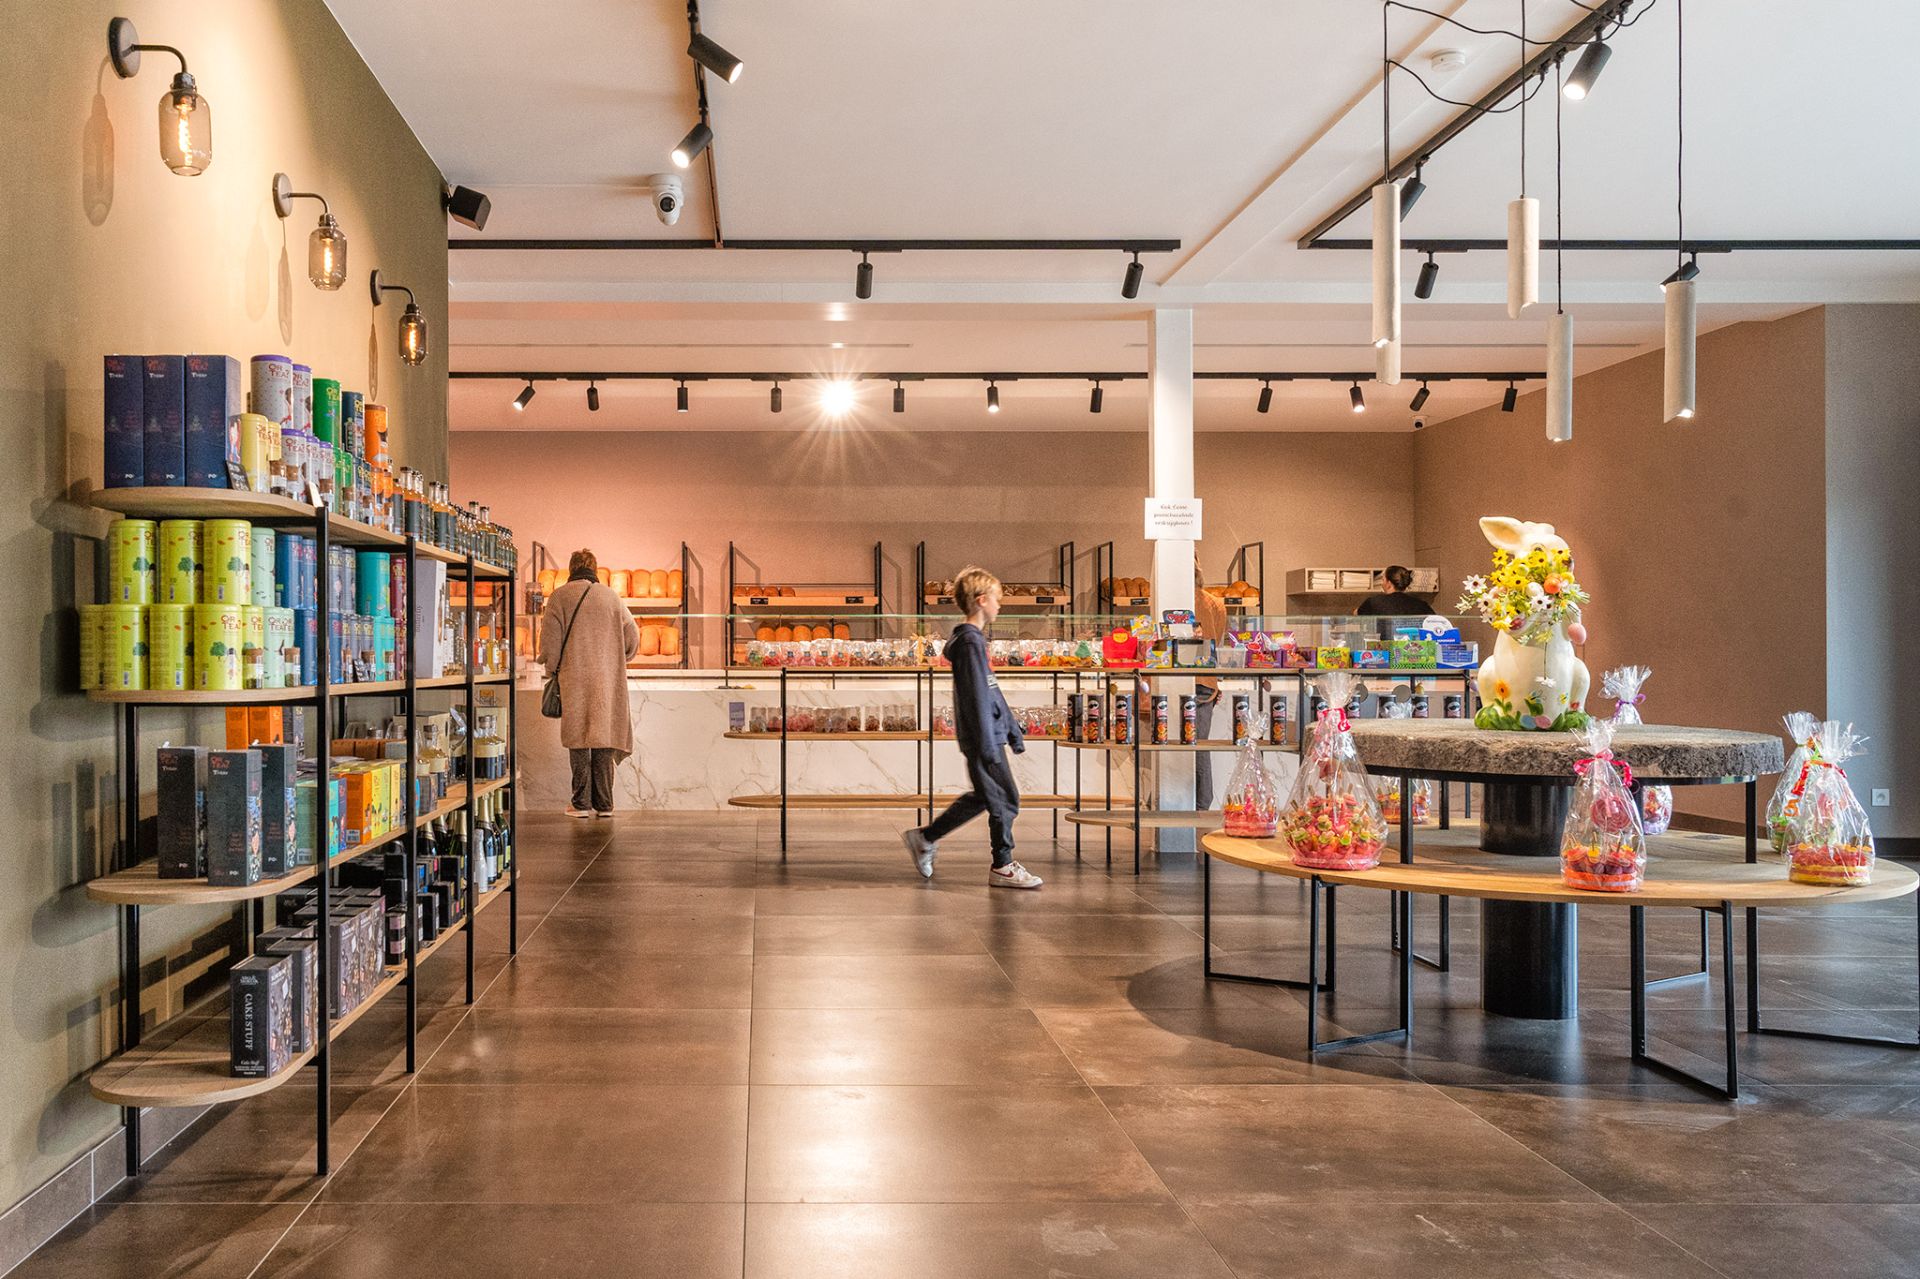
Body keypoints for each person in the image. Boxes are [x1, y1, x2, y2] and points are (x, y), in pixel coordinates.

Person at [901, 567, 1043, 889]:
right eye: (997, 599)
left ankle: (926, 838)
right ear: (981, 601)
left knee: (988, 796)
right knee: (1005, 799)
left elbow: (990, 688)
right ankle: (1002, 865)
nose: (1000, 605)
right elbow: (976, 695)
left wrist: (1010, 728)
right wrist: (988, 740)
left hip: (987, 734)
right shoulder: (968, 643)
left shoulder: (973, 641)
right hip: (982, 737)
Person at [539, 549, 640, 817]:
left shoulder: (559, 596)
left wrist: (552, 669)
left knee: (580, 739)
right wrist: (618, 656)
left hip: (575, 678)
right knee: (604, 737)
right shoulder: (611, 596)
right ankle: (605, 804)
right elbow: (633, 637)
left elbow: (550, 644)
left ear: (571, 568)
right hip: (608, 679)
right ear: (595, 569)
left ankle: (581, 804)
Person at [1355, 564, 1431, 617]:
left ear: (1389, 583)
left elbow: (1357, 614)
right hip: (1412, 640)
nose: (1382, 584)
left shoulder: (1374, 602)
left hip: (1383, 640)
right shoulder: (1420, 604)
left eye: (1383, 580)